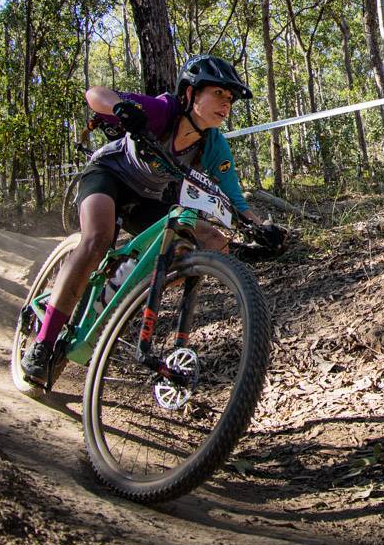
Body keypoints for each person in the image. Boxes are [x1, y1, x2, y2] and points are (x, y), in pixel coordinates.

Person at [19, 55, 278, 384]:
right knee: (97, 239)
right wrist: (122, 108)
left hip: (148, 198)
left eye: (230, 99)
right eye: (219, 94)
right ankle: (43, 342)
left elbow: (236, 201)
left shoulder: (214, 146)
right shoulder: (163, 111)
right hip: (109, 176)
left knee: (213, 242)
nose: (226, 104)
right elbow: (95, 93)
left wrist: (261, 228)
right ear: (190, 93)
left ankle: (128, 290)